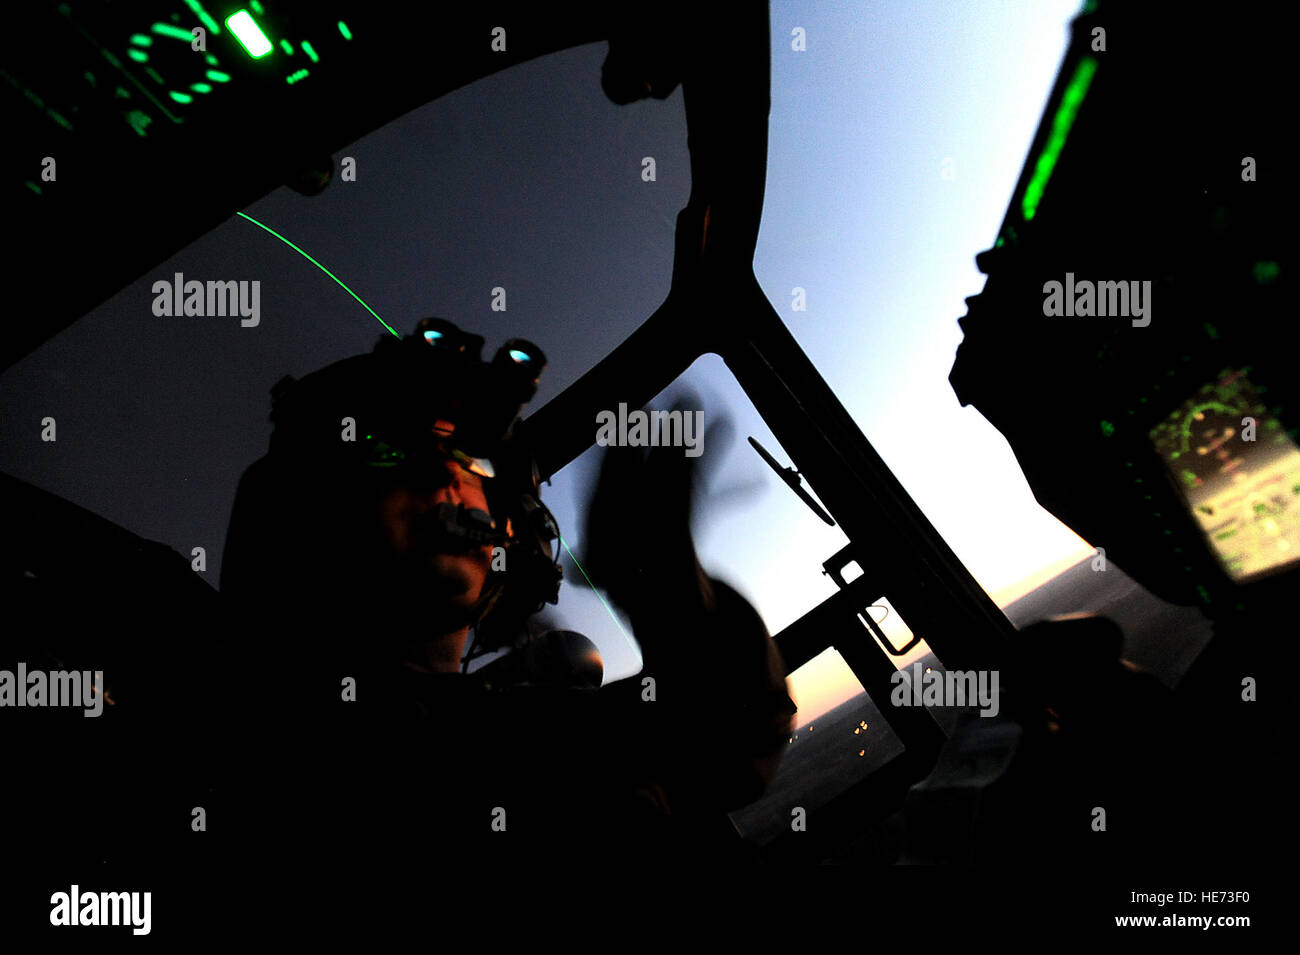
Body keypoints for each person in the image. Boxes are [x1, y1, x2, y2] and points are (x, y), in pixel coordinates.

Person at [212, 318, 795, 873]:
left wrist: (685, 625)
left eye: (466, 459)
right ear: (302, 498)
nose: (440, 474)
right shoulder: (228, 699)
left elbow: (725, 749)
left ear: (517, 532)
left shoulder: (520, 742)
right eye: (392, 448)